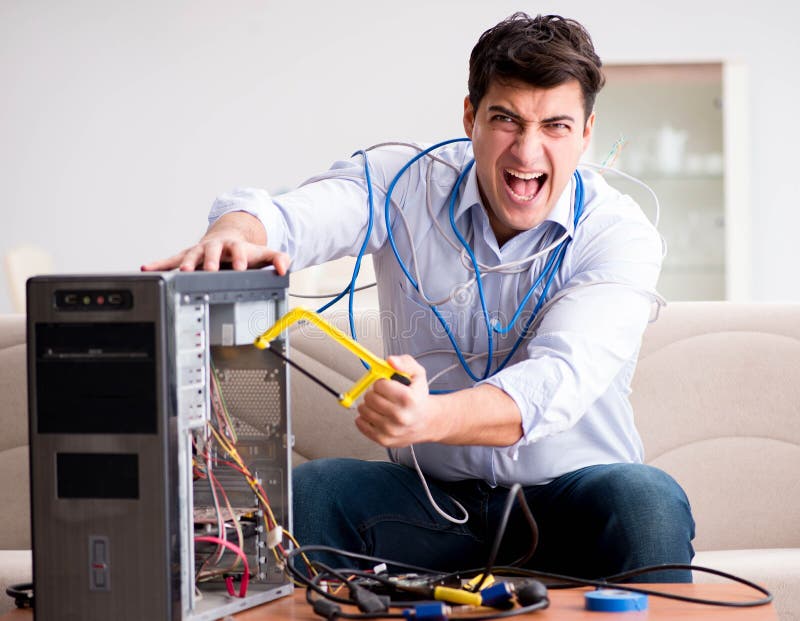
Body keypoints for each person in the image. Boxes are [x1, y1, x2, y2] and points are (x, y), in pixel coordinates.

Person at [143, 13, 695, 583]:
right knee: (310, 496)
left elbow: (559, 379)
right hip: (434, 506)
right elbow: (287, 217)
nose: (528, 154)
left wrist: (432, 417)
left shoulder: (619, 233)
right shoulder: (406, 179)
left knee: (647, 502)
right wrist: (235, 233)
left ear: (586, 132)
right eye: (506, 119)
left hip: (572, 501)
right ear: (469, 117)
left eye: (555, 125)